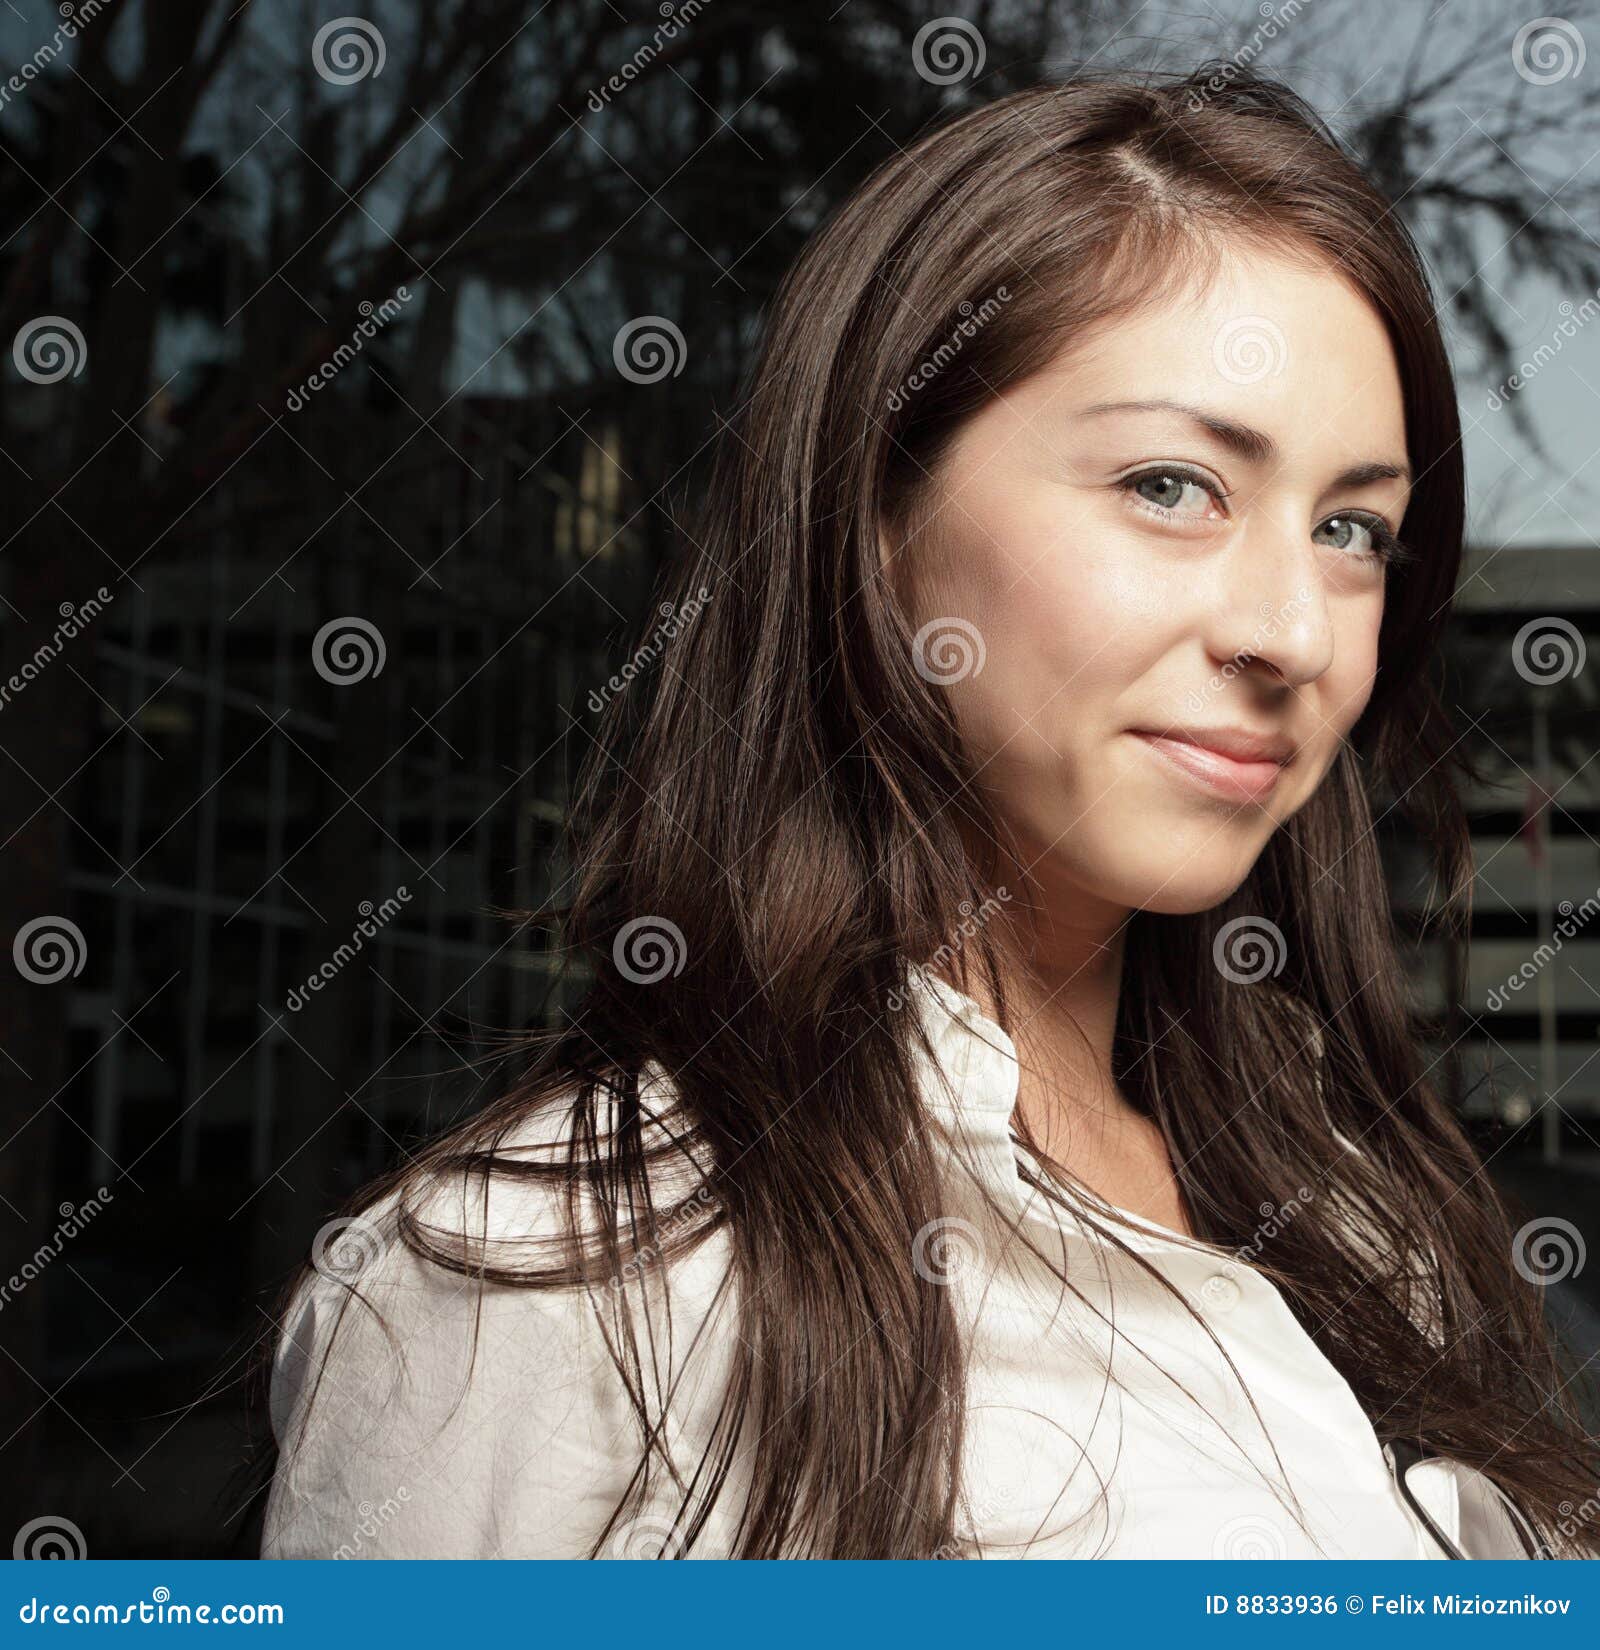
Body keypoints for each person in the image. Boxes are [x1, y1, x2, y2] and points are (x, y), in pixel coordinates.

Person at [259, 64, 1599, 1560]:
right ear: (880, 529)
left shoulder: (1370, 1219)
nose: (1293, 631)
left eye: (1355, 529)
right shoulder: (546, 1291)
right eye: (1172, 484)